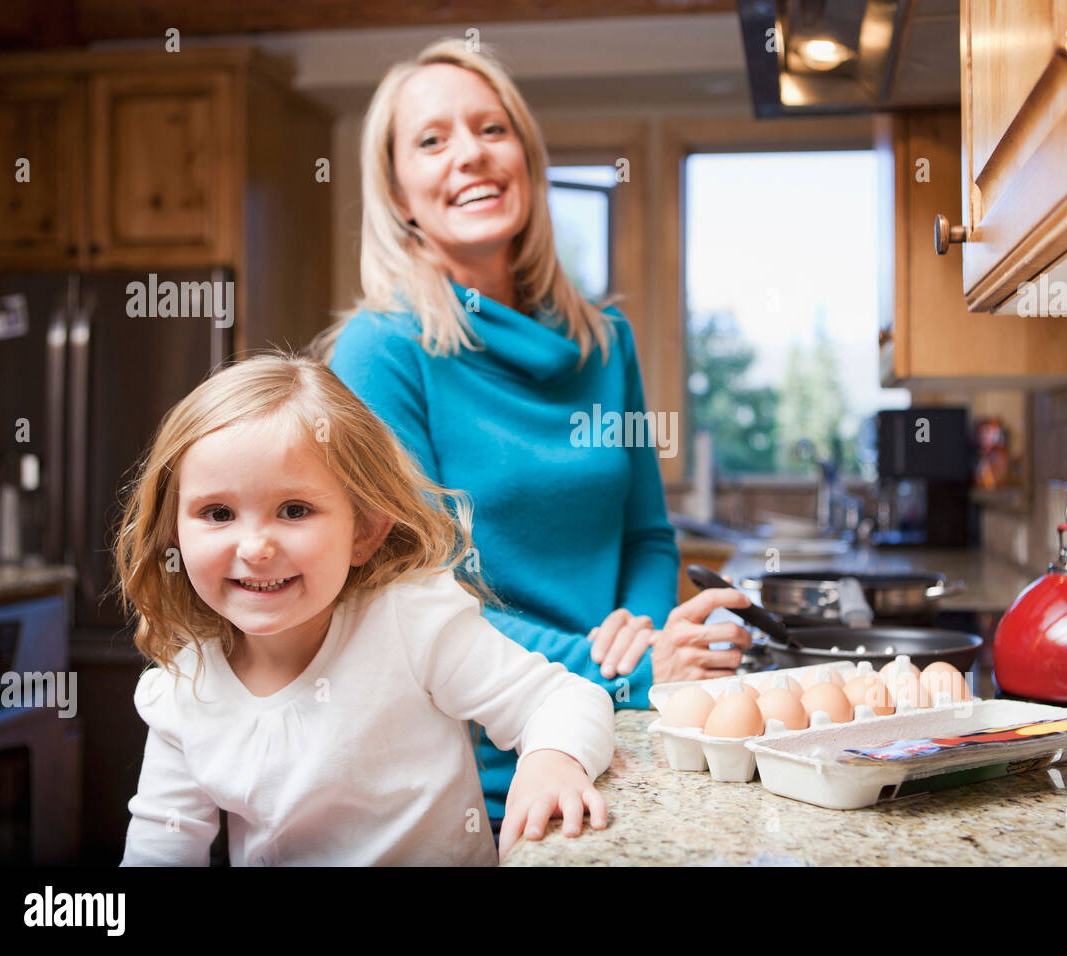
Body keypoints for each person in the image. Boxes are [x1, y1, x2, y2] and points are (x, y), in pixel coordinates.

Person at [313, 38, 752, 832]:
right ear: (399, 193)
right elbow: (411, 588)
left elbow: (647, 535)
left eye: (492, 129)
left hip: (623, 733)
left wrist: (644, 636)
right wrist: (617, 670)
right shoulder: (382, 350)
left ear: (526, 155)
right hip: (473, 757)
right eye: (433, 140)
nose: (471, 156)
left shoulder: (605, 342)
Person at [114, 353, 614, 865]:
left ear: (366, 531)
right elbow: (161, 845)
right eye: (217, 513)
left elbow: (563, 699)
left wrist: (552, 763)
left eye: (294, 510)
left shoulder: (409, 622)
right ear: (174, 531)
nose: (255, 547)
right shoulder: (182, 689)